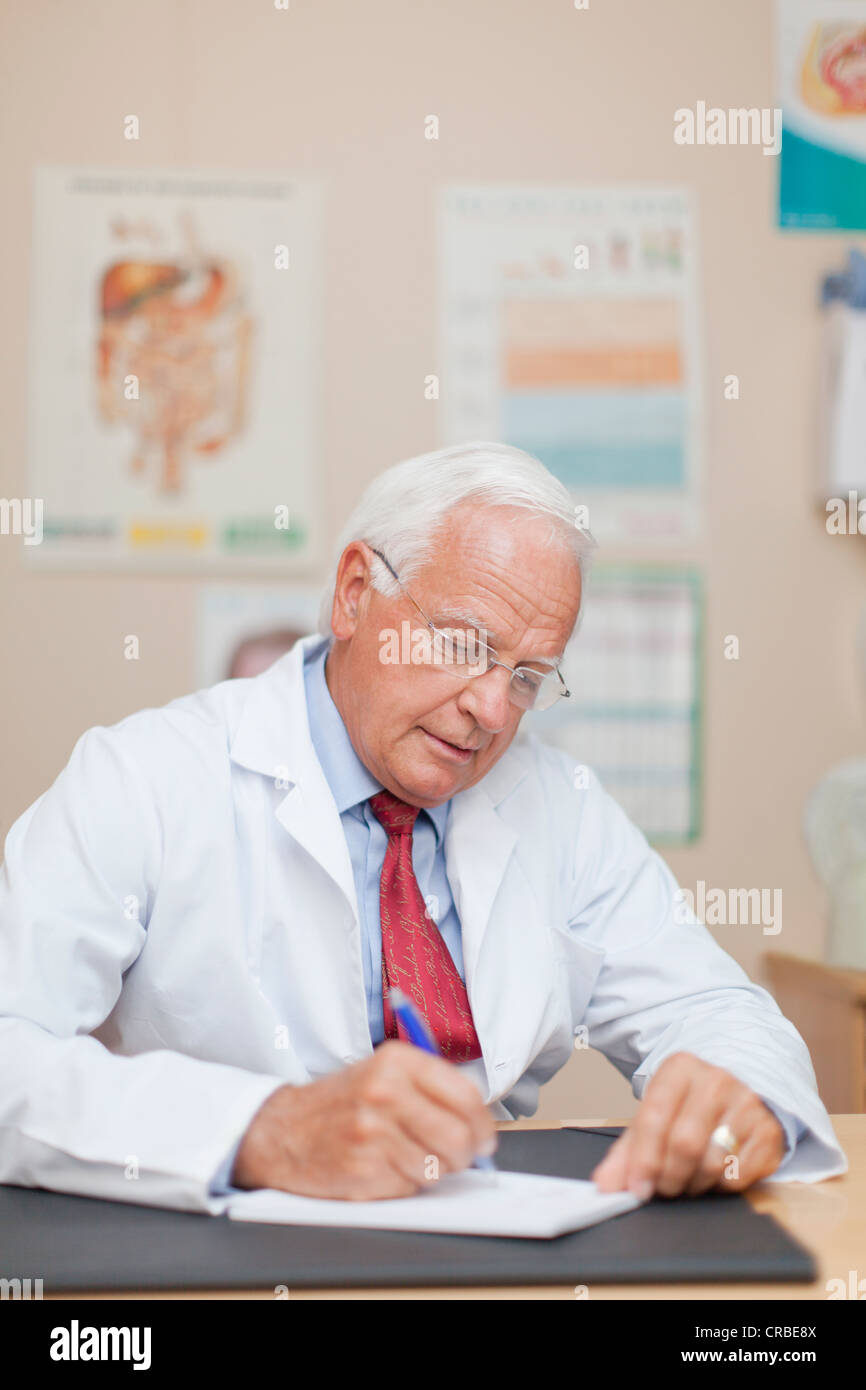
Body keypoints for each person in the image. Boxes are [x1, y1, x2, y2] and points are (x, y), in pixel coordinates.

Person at [0, 442, 846, 1214]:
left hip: (482, 1253)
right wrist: (266, 1130)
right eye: (464, 644)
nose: (489, 708)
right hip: (219, 1257)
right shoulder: (145, 777)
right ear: (355, 593)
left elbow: (715, 1010)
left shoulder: (561, 806)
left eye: (527, 676)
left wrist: (742, 1103)